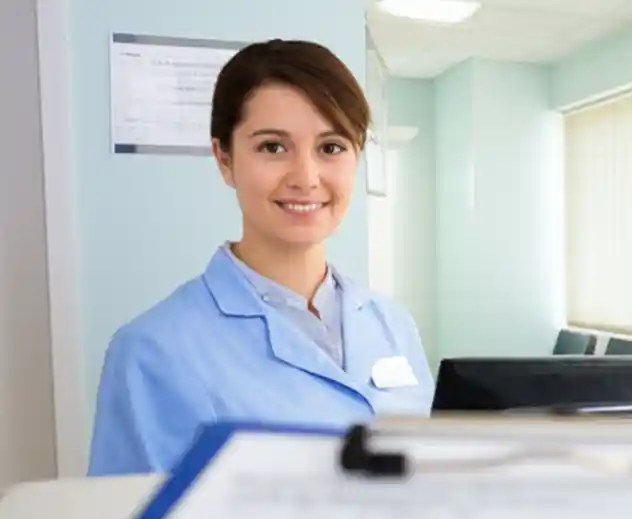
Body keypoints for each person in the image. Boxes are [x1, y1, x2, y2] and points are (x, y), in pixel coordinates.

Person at [88, 40, 433, 476]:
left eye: (331, 147)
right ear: (224, 159)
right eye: (273, 147)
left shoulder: (393, 325)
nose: (306, 178)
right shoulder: (152, 352)